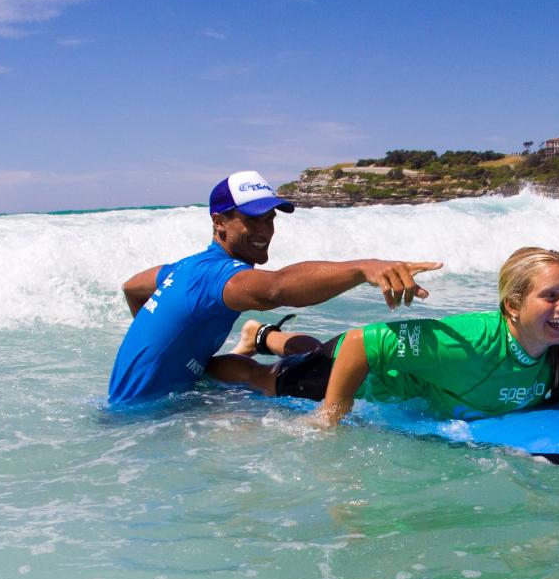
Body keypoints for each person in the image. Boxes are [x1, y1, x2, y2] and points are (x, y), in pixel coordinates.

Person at [208, 246, 559, 425]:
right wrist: (330, 417)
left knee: (310, 351)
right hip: (364, 375)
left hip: (374, 362)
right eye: (551, 297)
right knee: (268, 381)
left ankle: (265, 332)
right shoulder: (464, 341)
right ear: (512, 306)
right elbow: (360, 342)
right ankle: (212, 363)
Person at [107, 170, 440, 406]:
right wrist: (364, 268)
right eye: (252, 219)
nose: (265, 230)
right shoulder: (214, 276)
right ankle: (261, 337)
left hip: (177, 397)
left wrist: (167, 342)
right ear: (219, 222)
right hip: (145, 417)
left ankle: (261, 337)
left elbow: (133, 288)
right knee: (298, 378)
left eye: (270, 218)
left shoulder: (183, 269)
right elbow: (275, 289)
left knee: (305, 367)